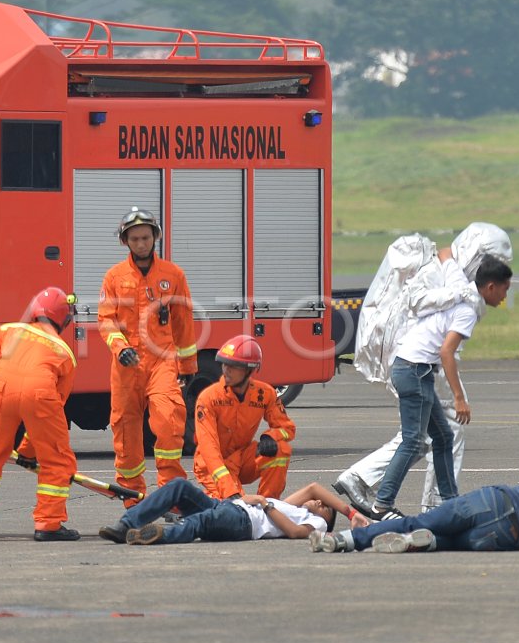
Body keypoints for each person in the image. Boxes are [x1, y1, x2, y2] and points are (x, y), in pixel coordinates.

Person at [336, 223, 514, 516]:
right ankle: (429, 504)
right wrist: (455, 294)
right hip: (413, 361)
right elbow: (417, 307)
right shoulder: (447, 282)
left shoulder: (454, 271)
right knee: (429, 434)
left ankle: (430, 499)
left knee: (437, 434)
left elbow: (446, 253)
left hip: (418, 361)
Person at [0, 287, 81, 541]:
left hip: (0, 390)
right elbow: (53, 410)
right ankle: (48, 524)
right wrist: (28, 451)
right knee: (57, 460)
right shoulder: (65, 352)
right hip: (41, 393)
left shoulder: (8, 330)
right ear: (63, 320)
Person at [98, 207, 199, 501]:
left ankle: (170, 496)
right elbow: (105, 320)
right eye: (135, 239)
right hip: (126, 367)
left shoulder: (173, 274)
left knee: (169, 422)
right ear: (125, 242)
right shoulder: (114, 277)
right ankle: (133, 500)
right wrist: (120, 348)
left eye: (145, 237)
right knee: (126, 432)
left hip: (163, 361)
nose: (141, 244)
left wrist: (188, 364)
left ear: (155, 237)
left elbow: (183, 321)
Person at [309, 485, 519, 553]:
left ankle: (343, 540)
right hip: (505, 531)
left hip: (488, 500)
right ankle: (419, 544)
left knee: (416, 521)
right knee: (452, 543)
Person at [99, 479, 368, 546]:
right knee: (179, 486)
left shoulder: (315, 524)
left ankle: (158, 536)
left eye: (324, 508)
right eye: (321, 503)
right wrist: (348, 511)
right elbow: (313, 488)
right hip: (230, 506)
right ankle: (127, 525)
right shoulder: (293, 507)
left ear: (324, 518)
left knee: (201, 522)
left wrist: (265, 503)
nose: (318, 503)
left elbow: (295, 533)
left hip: (244, 522)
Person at [192, 335, 296, 501]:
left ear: (249, 369)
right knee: (235, 507)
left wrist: (270, 437)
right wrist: (228, 489)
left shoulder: (265, 393)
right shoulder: (209, 398)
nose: (226, 370)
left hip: (241, 459)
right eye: (224, 364)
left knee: (281, 449)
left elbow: (287, 428)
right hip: (211, 466)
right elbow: (208, 447)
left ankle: (268, 506)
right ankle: (205, 502)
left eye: (233, 366)